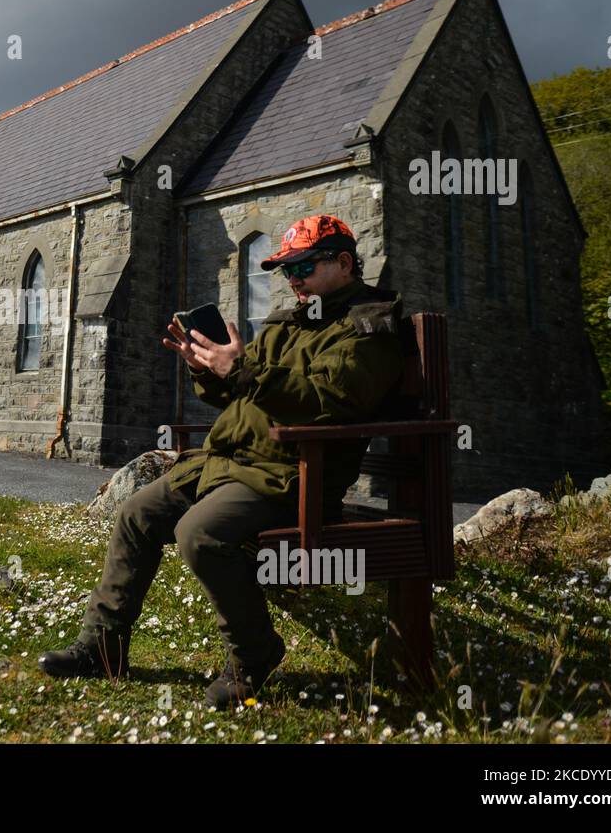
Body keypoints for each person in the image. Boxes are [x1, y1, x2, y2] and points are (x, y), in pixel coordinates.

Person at [37, 214, 407, 709]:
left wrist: (244, 370)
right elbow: (243, 395)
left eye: (304, 267)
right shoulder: (288, 323)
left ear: (344, 263)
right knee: (136, 515)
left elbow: (326, 403)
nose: (293, 280)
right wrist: (210, 371)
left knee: (200, 534)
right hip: (226, 461)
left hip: (290, 474)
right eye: (286, 271)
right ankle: (102, 647)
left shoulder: (368, 327)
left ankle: (253, 655)